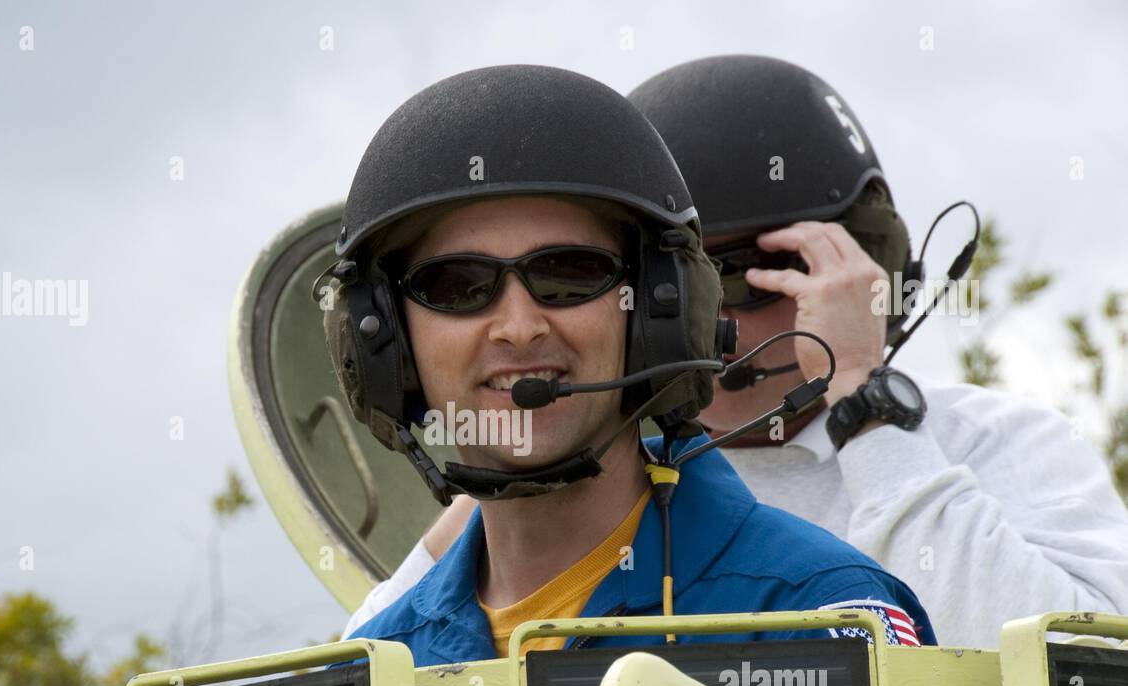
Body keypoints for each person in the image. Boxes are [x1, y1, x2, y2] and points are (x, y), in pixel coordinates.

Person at [343, 56, 1128, 650]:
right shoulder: (597, 482)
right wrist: (500, 471)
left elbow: (1069, 680)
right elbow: (366, 677)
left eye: (772, 271)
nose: (725, 319)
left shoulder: (987, 444)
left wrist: (865, 402)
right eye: (700, 283)